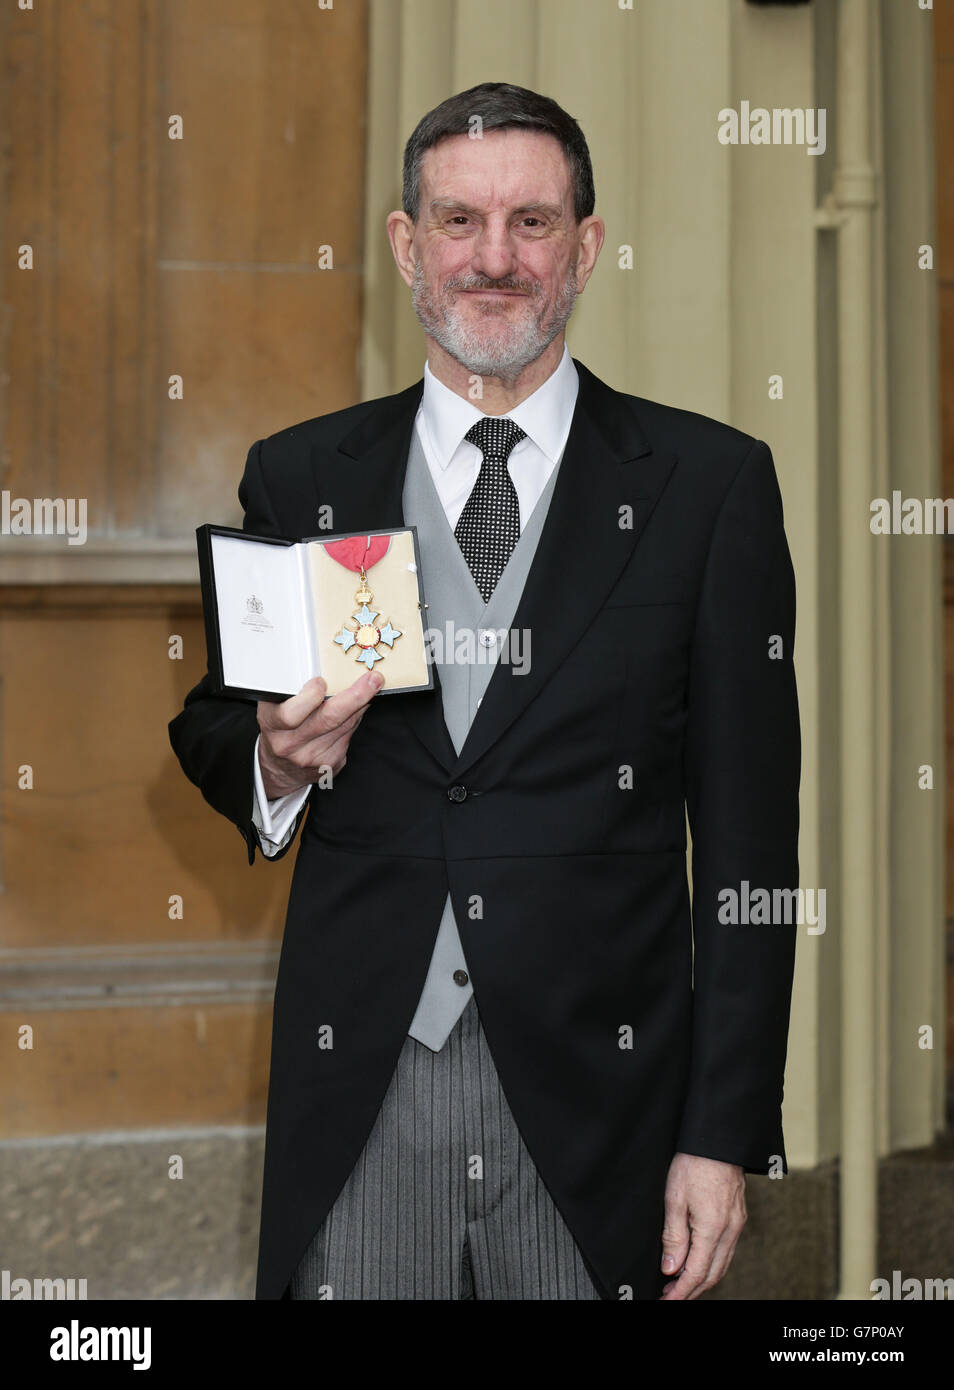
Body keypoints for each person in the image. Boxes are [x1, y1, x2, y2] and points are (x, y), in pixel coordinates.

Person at [169, 81, 800, 1302]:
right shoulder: (302, 473)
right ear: (408, 245)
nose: (494, 259)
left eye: (532, 223)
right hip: (364, 1093)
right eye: (459, 222)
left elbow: (749, 852)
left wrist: (722, 1134)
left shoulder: (708, 489)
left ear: (587, 249)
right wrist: (279, 761)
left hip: (597, 1106)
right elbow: (211, 722)